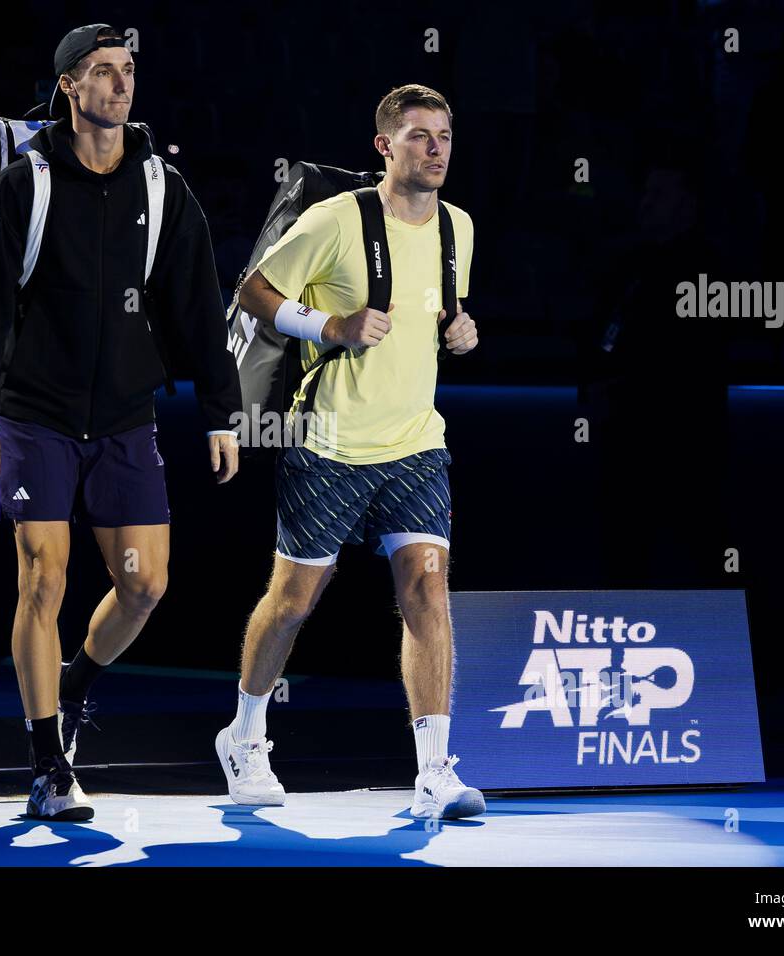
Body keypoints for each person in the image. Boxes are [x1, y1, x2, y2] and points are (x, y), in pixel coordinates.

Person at [0, 24, 241, 821]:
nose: (122, 85)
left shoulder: (162, 187)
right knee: (43, 578)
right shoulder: (28, 183)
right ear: (70, 88)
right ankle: (48, 764)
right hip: (31, 414)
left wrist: (220, 412)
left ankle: (75, 685)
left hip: (125, 416)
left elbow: (197, 308)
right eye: (104, 73)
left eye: (129, 70)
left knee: (145, 585)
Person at [216, 84, 485, 819]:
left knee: (426, 592)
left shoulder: (459, 226)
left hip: (416, 446)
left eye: (445, 136)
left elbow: (442, 315)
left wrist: (462, 332)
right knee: (295, 600)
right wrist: (328, 325)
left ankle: (434, 771)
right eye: (420, 136)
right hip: (328, 443)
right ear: (384, 146)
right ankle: (243, 736)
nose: (436, 149)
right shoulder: (335, 219)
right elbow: (254, 291)